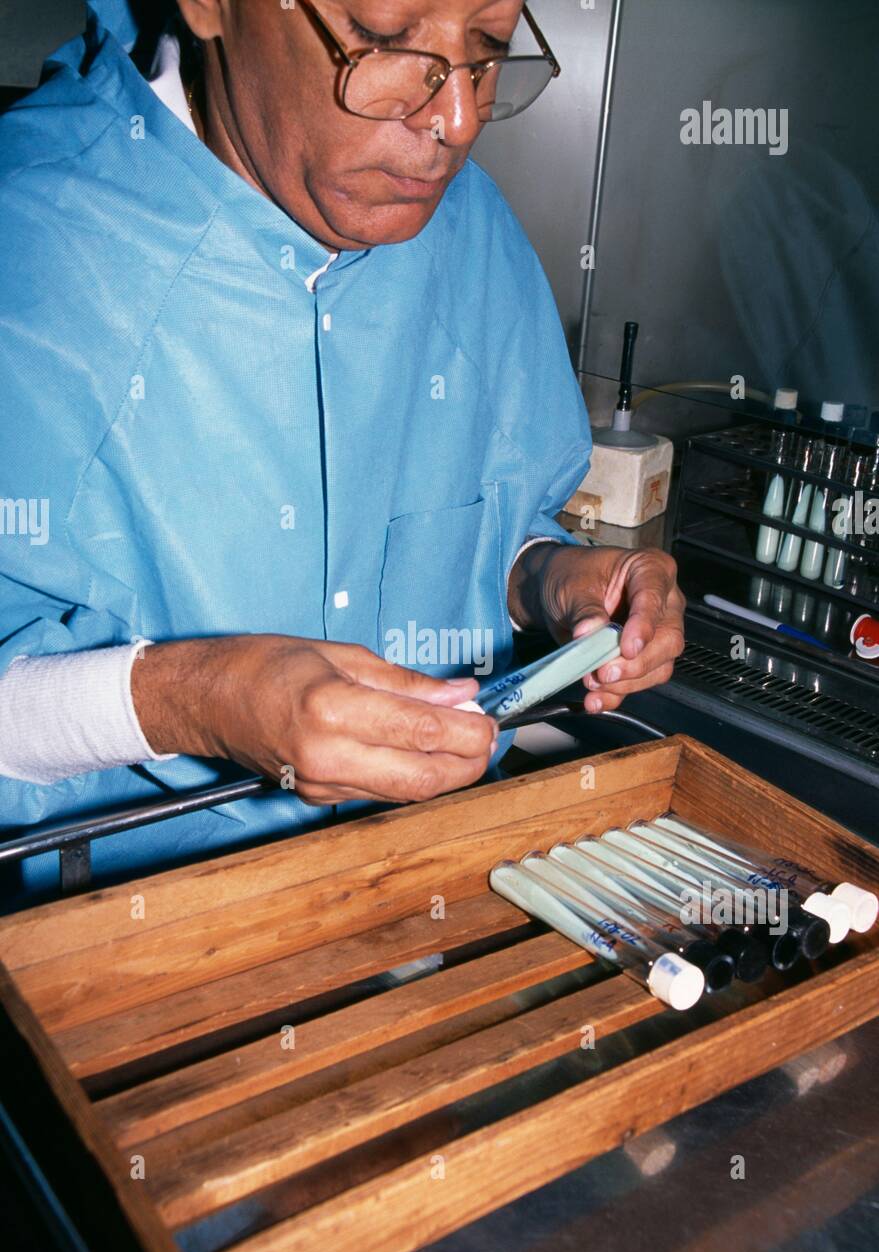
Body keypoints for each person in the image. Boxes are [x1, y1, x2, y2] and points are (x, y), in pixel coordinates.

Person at [0, 0, 684, 900]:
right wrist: (192, 697)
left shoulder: (469, 230)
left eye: (485, 54)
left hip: (426, 881)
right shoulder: (30, 242)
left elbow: (474, 531)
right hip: (123, 935)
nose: (455, 121)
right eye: (389, 43)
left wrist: (549, 578)